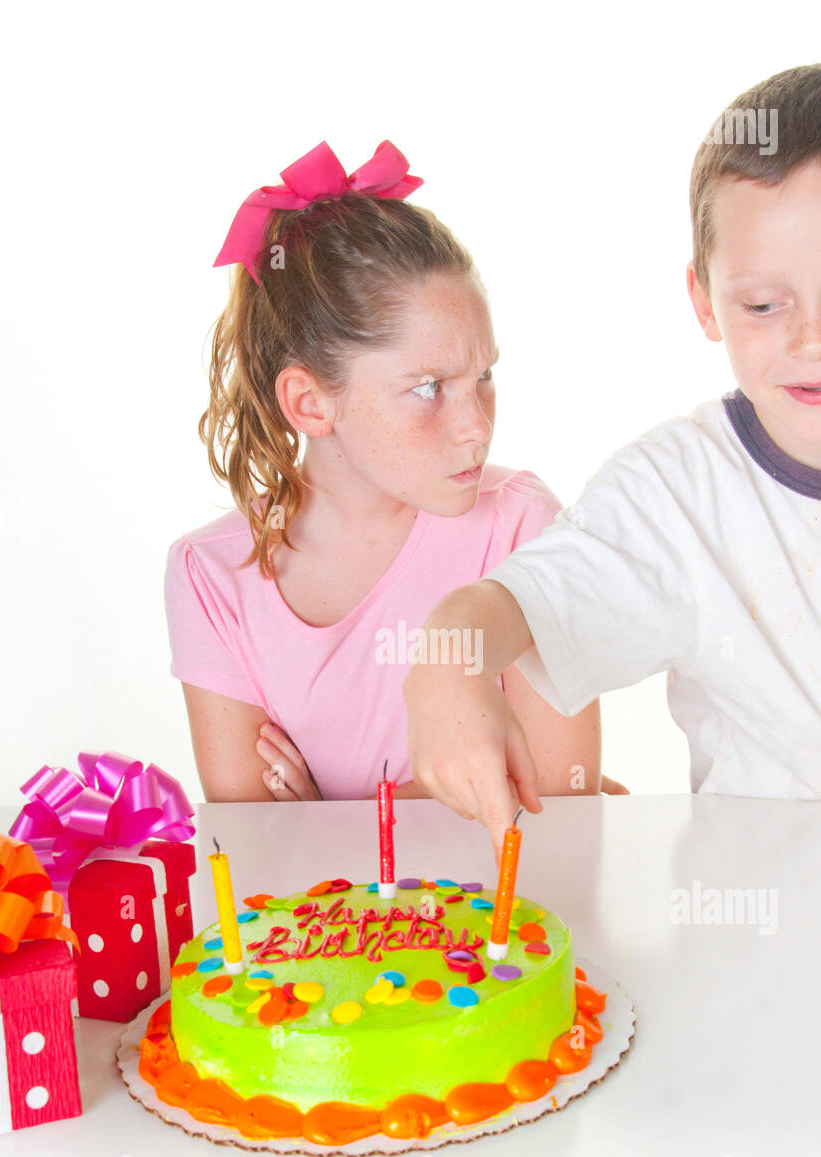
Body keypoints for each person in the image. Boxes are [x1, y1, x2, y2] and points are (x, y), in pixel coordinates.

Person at [404, 64, 821, 855]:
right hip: (771, 934)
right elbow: (504, 609)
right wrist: (445, 670)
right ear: (702, 301)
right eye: (763, 305)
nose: (812, 340)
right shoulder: (675, 496)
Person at [164, 141, 617, 803]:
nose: (475, 425)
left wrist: (326, 818)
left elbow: (555, 791)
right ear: (310, 402)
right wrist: (460, 788)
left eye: (482, 376)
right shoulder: (210, 577)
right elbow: (253, 840)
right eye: (429, 387)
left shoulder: (521, 525)